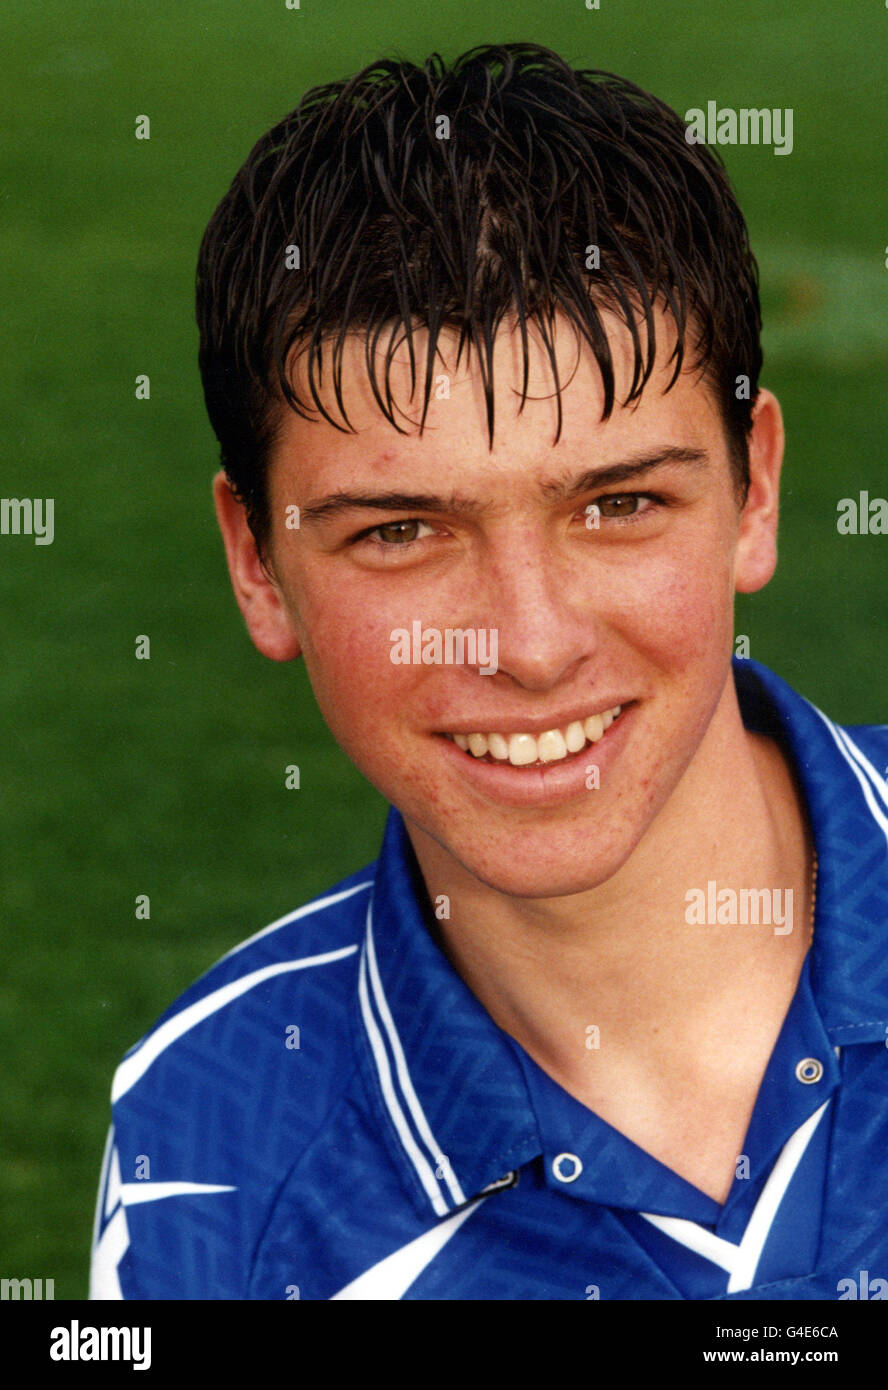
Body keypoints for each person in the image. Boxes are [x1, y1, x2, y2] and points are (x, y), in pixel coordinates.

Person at [90, 43, 888, 1301]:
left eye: (618, 503)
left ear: (757, 490)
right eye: (400, 531)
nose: (528, 643)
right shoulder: (205, 1146)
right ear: (257, 560)